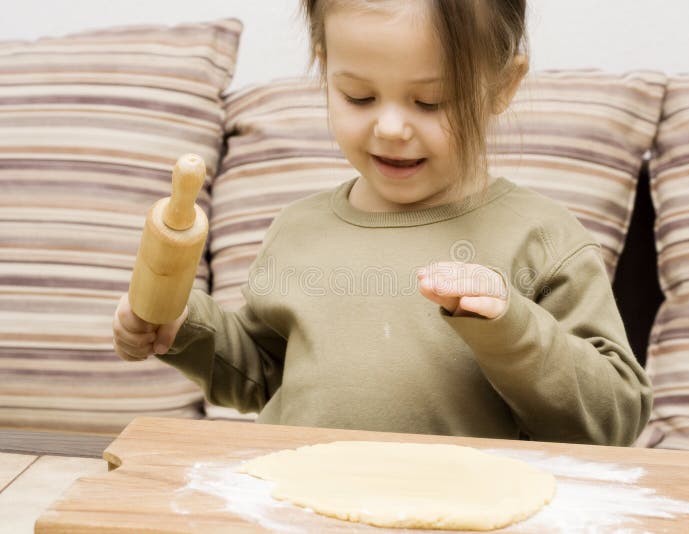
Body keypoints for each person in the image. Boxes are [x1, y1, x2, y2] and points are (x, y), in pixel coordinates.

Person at [112, 0, 652, 446]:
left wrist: (514, 331)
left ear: (502, 86)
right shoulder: (299, 229)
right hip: (294, 508)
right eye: (359, 96)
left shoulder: (541, 238)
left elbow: (614, 422)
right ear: (326, 68)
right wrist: (183, 327)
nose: (391, 126)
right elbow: (268, 377)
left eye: (430, 101)